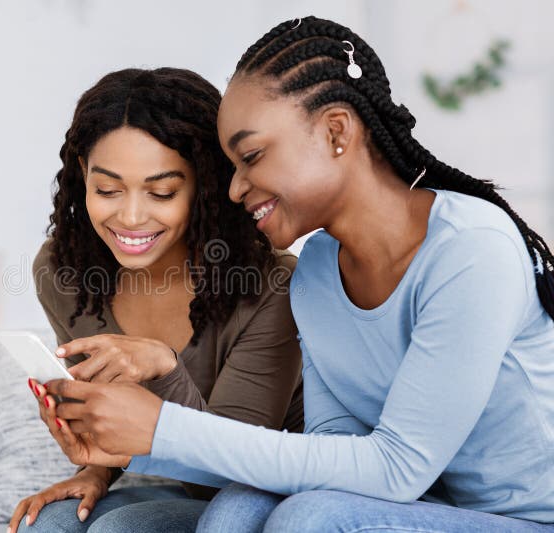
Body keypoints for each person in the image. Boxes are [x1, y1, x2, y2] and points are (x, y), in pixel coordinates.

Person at [38, 16, 554, 532]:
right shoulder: (318, 274)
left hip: (527, 516)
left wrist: (162, 427)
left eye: (253, 156)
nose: (235, 190)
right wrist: (123, 444)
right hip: (426, 507)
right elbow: (331, 454)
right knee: (221, 513)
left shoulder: (471, 249)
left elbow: (398, 469)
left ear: (336, 131)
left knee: (309, 518)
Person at [9, 67, 304, 533]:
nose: (129, 217)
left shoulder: (270, 285)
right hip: (178, 483)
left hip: (257, 493)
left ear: (204, 187)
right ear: (83, 173)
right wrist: (95, 468)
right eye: (106, 189)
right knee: (46, 526)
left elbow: (229, 474)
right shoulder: (62, 273)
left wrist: (166, 369)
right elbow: (112, 418)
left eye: (162, 192)